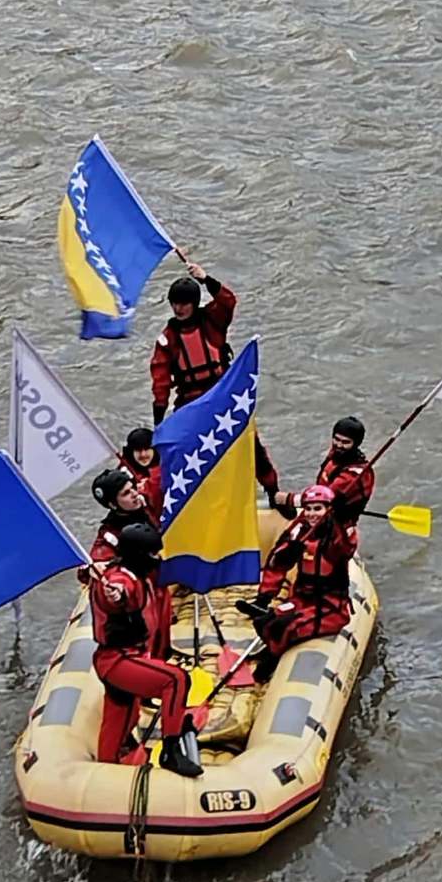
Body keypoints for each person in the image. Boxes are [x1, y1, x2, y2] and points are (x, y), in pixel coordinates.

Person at [150, 257, 293, 518]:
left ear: (194, 303)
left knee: (252, 446)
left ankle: (273, 492)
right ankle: (184, 502)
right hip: (191, 402)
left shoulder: (212, 321)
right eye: (175, 303)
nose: (179, 308)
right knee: (184, 452)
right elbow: (160, 381)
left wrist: (205, 279)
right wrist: (158, 422)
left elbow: (228, 300)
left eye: (184, 303)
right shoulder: (167, 339)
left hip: (224, 394)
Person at [90, 522, 202, 775]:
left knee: (123, 716)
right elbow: (119, 592)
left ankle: (109, 766)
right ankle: (170, 751)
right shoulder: (120, 579)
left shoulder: (137, 576)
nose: (157, 559)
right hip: (117, 660)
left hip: (128, 657)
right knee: (176, 680)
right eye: (153, 554)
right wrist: (116, 595)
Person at [250, 485, 358, 683]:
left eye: (318, 509)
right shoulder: (300, 531)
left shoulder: (335, 535)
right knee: (264, 622)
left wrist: (344, 519)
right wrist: (265, 594)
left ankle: (270, 663)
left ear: (328, 510)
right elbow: (277, 562)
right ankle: (272, 651)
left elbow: (346, 548)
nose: (311, 514)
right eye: (308, 509)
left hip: (330, 606)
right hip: (303, 599)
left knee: (286, 627)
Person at [272, 416, 375, 525]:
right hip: (322, 513)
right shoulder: (337, 453)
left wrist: (288, 499)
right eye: (336, 439)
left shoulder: (353, 475)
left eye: (346, 442)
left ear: (356, 444)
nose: (339, 445)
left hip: (337, 525)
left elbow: (323, 499)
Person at [87, 468, 161, 567]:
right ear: (113, 505)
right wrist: (93, 567)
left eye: (133, 488)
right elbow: (94, 564)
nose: (135, 494)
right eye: (126, 493)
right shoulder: (111, 532)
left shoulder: (149, 498)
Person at [119, 426, 163, 517]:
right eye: (138, 450)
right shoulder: (123, 476)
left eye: (147, 449)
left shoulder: (167, 467)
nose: (143, 454)